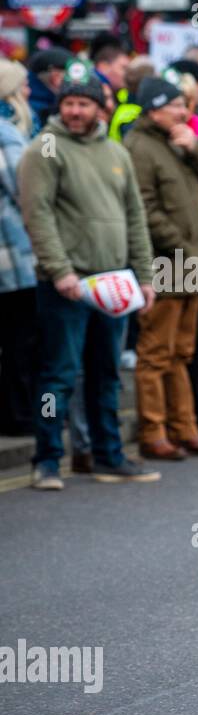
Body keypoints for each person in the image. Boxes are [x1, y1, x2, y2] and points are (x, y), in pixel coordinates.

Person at [18, 61, 159, 489]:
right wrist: (60, 270)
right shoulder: (44, 148)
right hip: (68, 283)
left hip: (113, 282)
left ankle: (108, 455)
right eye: (70, 103)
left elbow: (134, 216)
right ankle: (46, 459)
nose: (76, 111)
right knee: (59, 375)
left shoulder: (116, 152)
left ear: (100, 108)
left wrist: (146, 275)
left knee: (106, 374)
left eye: (84, 104)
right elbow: (37, 215)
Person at [125, 76, 198, 460]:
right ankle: (153, 433)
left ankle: (184, 428)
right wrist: (186, 249)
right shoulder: (139, 148)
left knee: (182, 352)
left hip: (192, 264)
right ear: (154, 109)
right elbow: (145, 210)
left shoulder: (176, 141)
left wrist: (196, 150)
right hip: (166, 264)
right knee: (155, 353)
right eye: (175, 107)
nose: (184, 113)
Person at [0, 59, 37, 437]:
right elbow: (25, 191)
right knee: (19, 338)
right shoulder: (7, 134)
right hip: (13, 255)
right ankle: (17, 415)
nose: (28, 92)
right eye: (23, 86)